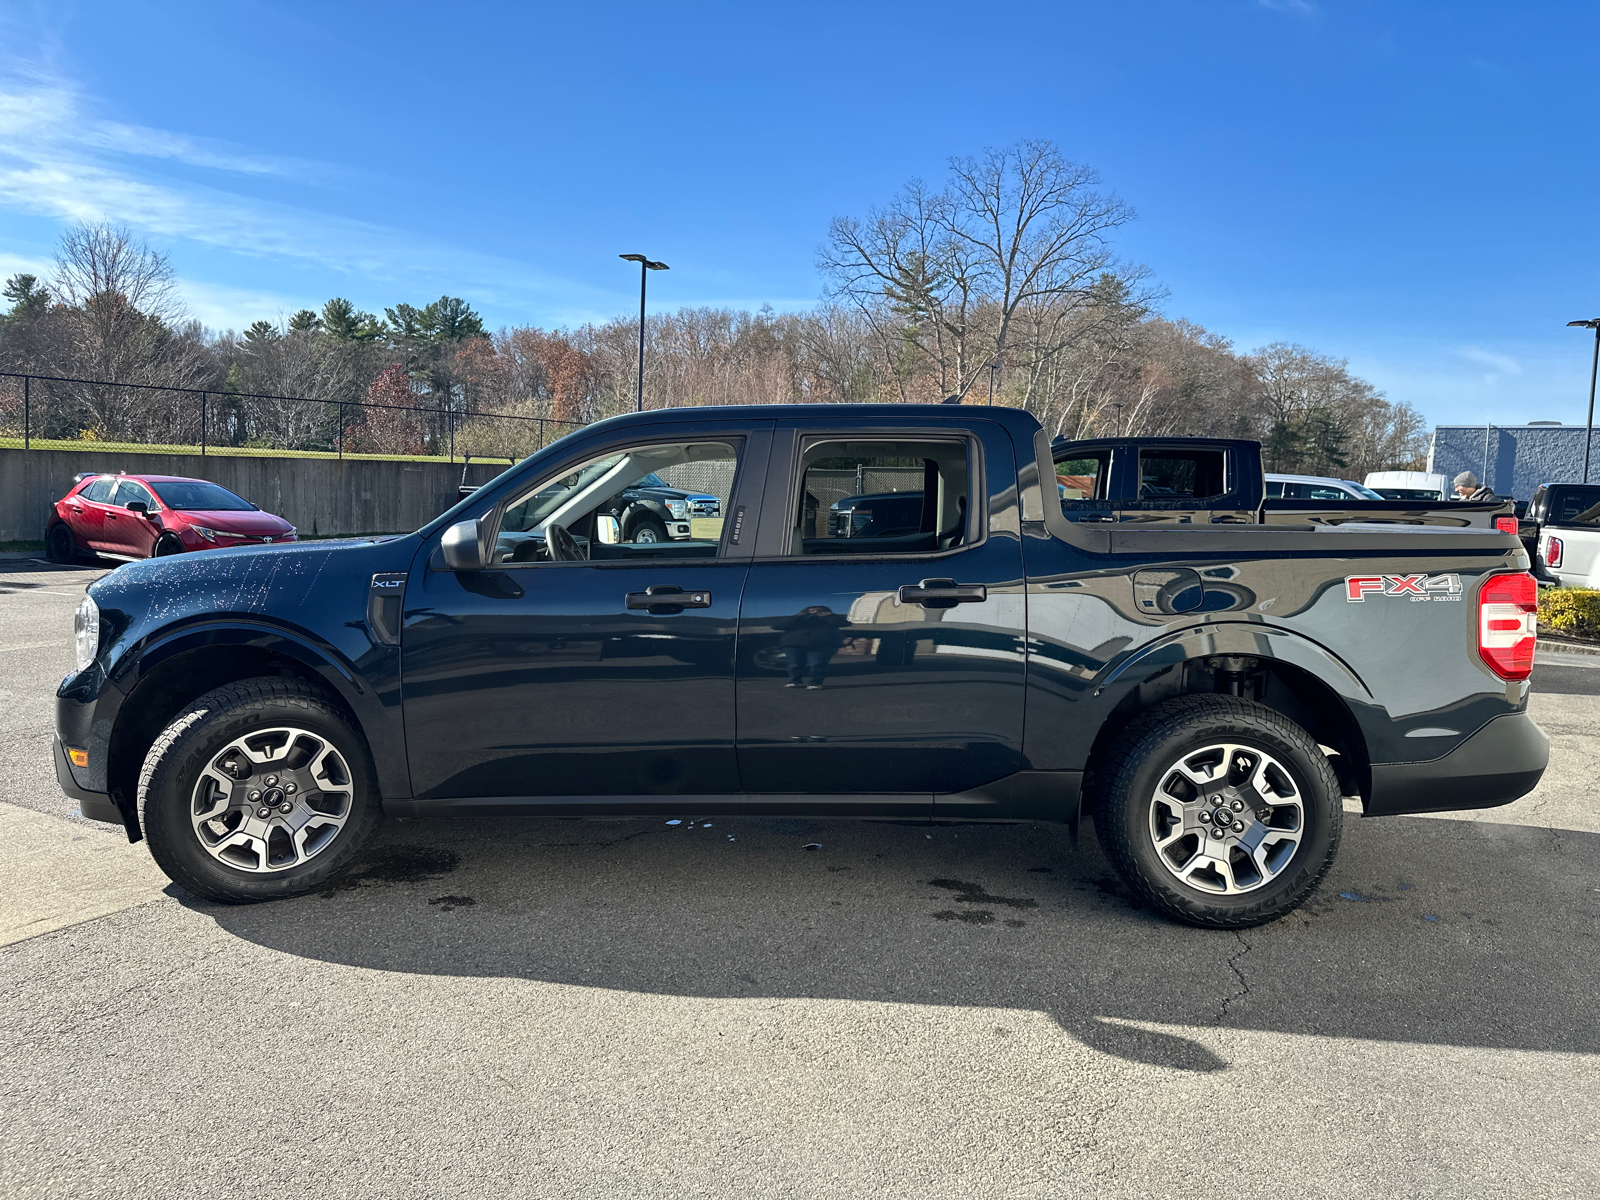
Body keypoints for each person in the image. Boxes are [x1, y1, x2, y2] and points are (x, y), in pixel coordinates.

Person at [776, 605, 848, 689]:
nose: (814, 612)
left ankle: (815, 683)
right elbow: (778, 626)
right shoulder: (797, 619)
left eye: (818, 611)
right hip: (795, 644)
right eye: (810, 610)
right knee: (794, 664)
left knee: (816, 664)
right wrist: (798, 616)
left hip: (821, 645)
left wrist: (830, 615)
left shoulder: (830, 619)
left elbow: (844, 623)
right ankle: (795, 681)